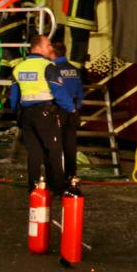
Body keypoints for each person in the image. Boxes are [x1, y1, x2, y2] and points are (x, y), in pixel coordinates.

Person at [9, 35, 75, 194]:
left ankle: (34, 189)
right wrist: (71, 108)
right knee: (54, 151)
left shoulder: (19, 68)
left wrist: (17, 112)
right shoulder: (48, 66)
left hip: (26, 115)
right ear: (37, 47)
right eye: (47, 45)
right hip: (46, 114)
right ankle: (58, 188)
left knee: (34, 153)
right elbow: (58, 91)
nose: (50, 48)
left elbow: (14, 96)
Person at [50, 41, 86, 182]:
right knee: (70, 145)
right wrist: (75, 108)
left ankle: (57, 178)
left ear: (53, 53)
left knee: (54, 145)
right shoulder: (74, 70)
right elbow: (80, 93)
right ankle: (71, 176)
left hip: (58, 110)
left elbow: (54, 91)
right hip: (73, 111)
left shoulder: (53, 70)